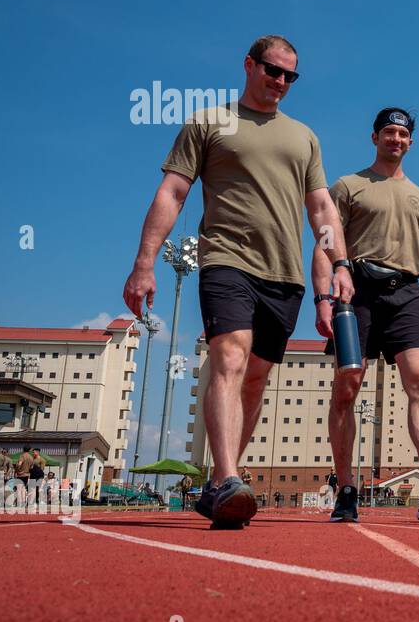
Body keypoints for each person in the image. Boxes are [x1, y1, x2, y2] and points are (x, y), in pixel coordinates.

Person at [123, 35, 354, 530]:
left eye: (291, 76)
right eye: (273, 70)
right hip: (226, 259)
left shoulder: (304, 137)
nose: (281, 82)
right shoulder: (208, 121)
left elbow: (320, 207)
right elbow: (173, 191)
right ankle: (229, 478)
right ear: (249, 65)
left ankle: (218, 485)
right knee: (230, 355)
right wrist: (145, 261)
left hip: (285, 274)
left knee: (255, 378)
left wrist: (339, 263)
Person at [315, 107, 419, 524]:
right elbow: (324, 245)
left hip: (407, 294)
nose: (396, 139)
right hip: (357, 291)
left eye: (403, 134)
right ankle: (346, 488)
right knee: (347, 386)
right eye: (388, 132)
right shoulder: (348, 186)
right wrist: (322, 299)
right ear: (374, 138)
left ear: (411, 142)